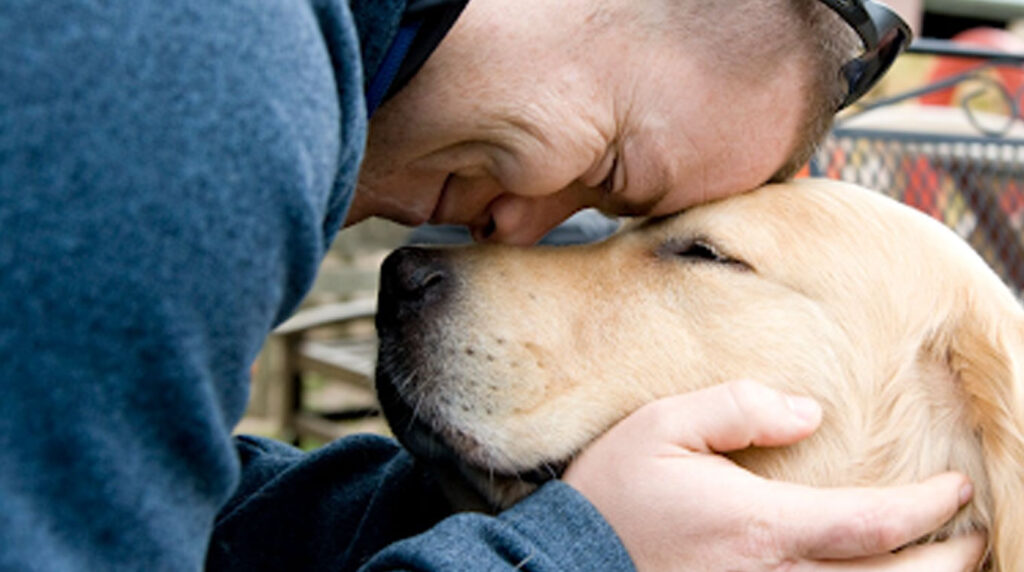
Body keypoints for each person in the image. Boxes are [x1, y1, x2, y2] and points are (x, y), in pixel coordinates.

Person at [0, 0, 985, 570]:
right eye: (611, 166)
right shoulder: (193, 79)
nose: (512, 226)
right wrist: (566, 556)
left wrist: (494, 523)